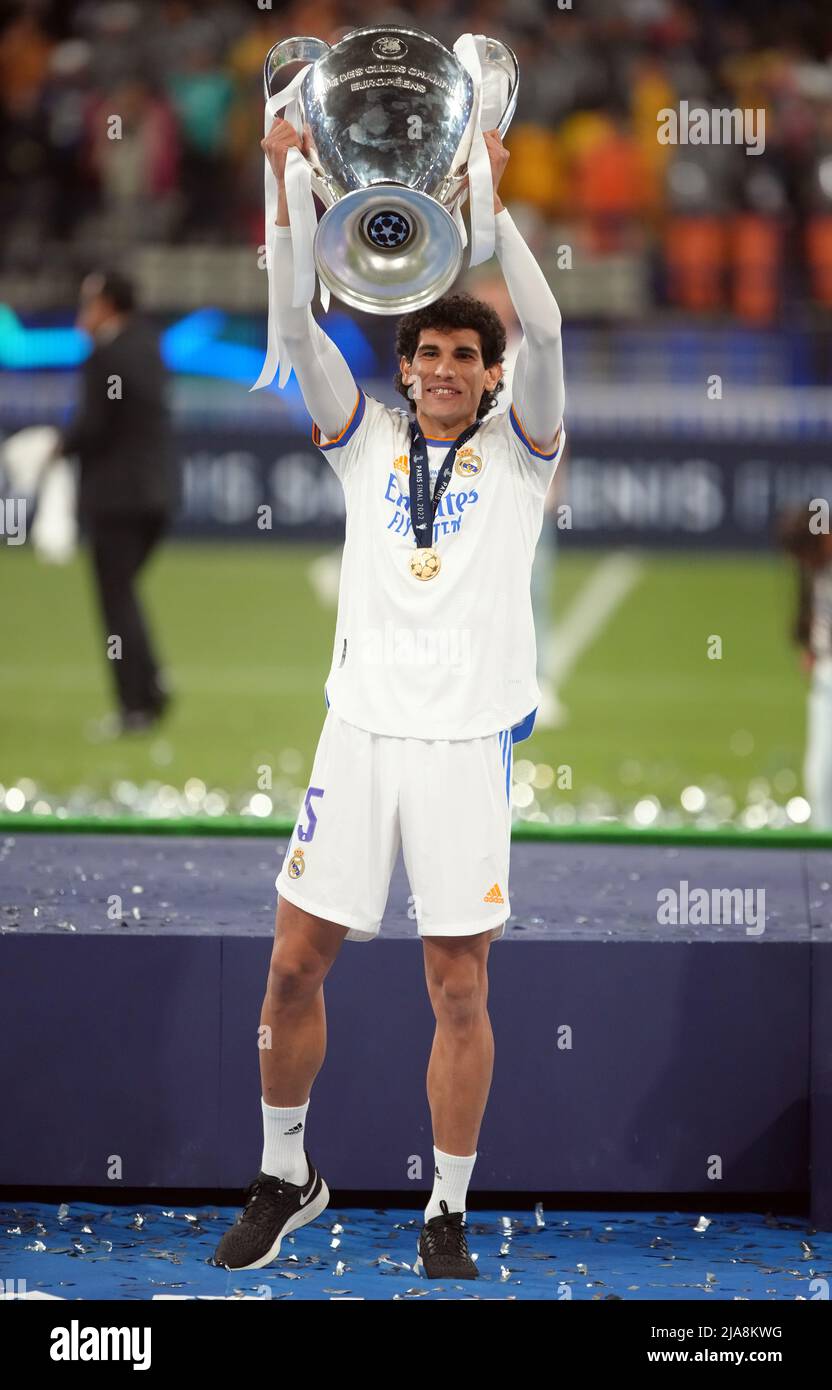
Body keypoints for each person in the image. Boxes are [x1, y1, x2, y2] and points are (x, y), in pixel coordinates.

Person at [214, 118, 566, 1280]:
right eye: (427, 357)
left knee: (456, 984)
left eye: (466, 357)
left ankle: (445, 1207)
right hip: (356, 735)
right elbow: (289, 328)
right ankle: (285, 1173)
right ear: (407, 368)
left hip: (463, 744)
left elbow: (548, 323)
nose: (444, 371)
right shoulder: (363, 444)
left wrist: (491, 205)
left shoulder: (523, 455)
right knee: (291, 966)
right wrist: (289, 184)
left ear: (489, 371)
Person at [60, 269, 178, 735]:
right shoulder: (149, 347)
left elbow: (93, 426)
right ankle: (150, 688)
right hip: (157, 495)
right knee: (125, 594)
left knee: (115, 600)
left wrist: (55, 446)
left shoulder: (105, 355)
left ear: (108, 305)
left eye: (88, 302)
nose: (82, 313)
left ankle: (136, 706)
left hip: (115, 499)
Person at [781, 505, 832, 828]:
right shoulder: (817, 566)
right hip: (826, 677)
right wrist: (812, 645)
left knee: (825, 777)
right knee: (821, 776)